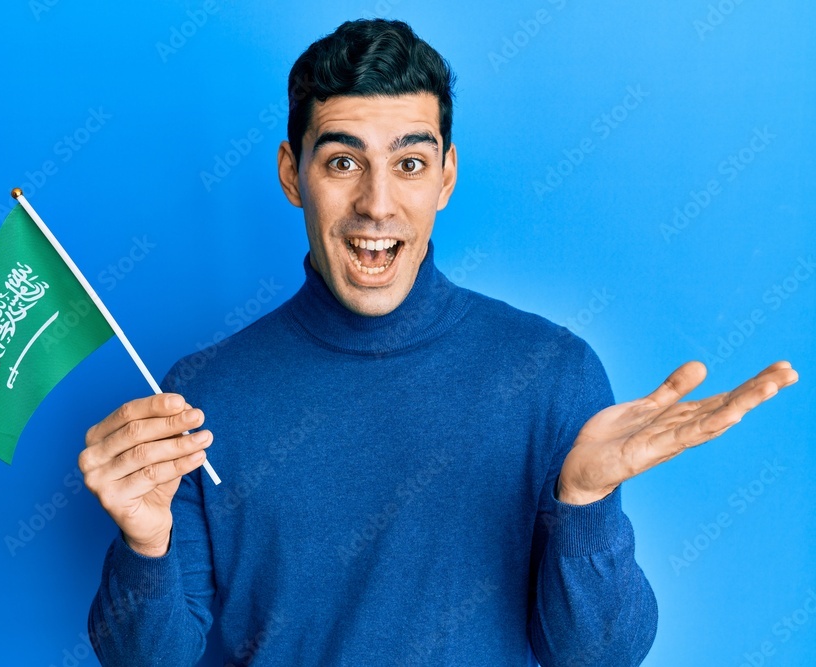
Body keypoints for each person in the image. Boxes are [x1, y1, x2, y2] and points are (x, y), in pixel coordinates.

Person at [79, 18, 798, 666]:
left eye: (410, 163)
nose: (377, 203)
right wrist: (145, 546)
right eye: (342, 162)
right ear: (291, 175)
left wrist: (585, 504)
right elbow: (149, 660)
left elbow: (599, 656)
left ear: (447, 176)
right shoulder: (201, 395)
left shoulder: (552, 374)